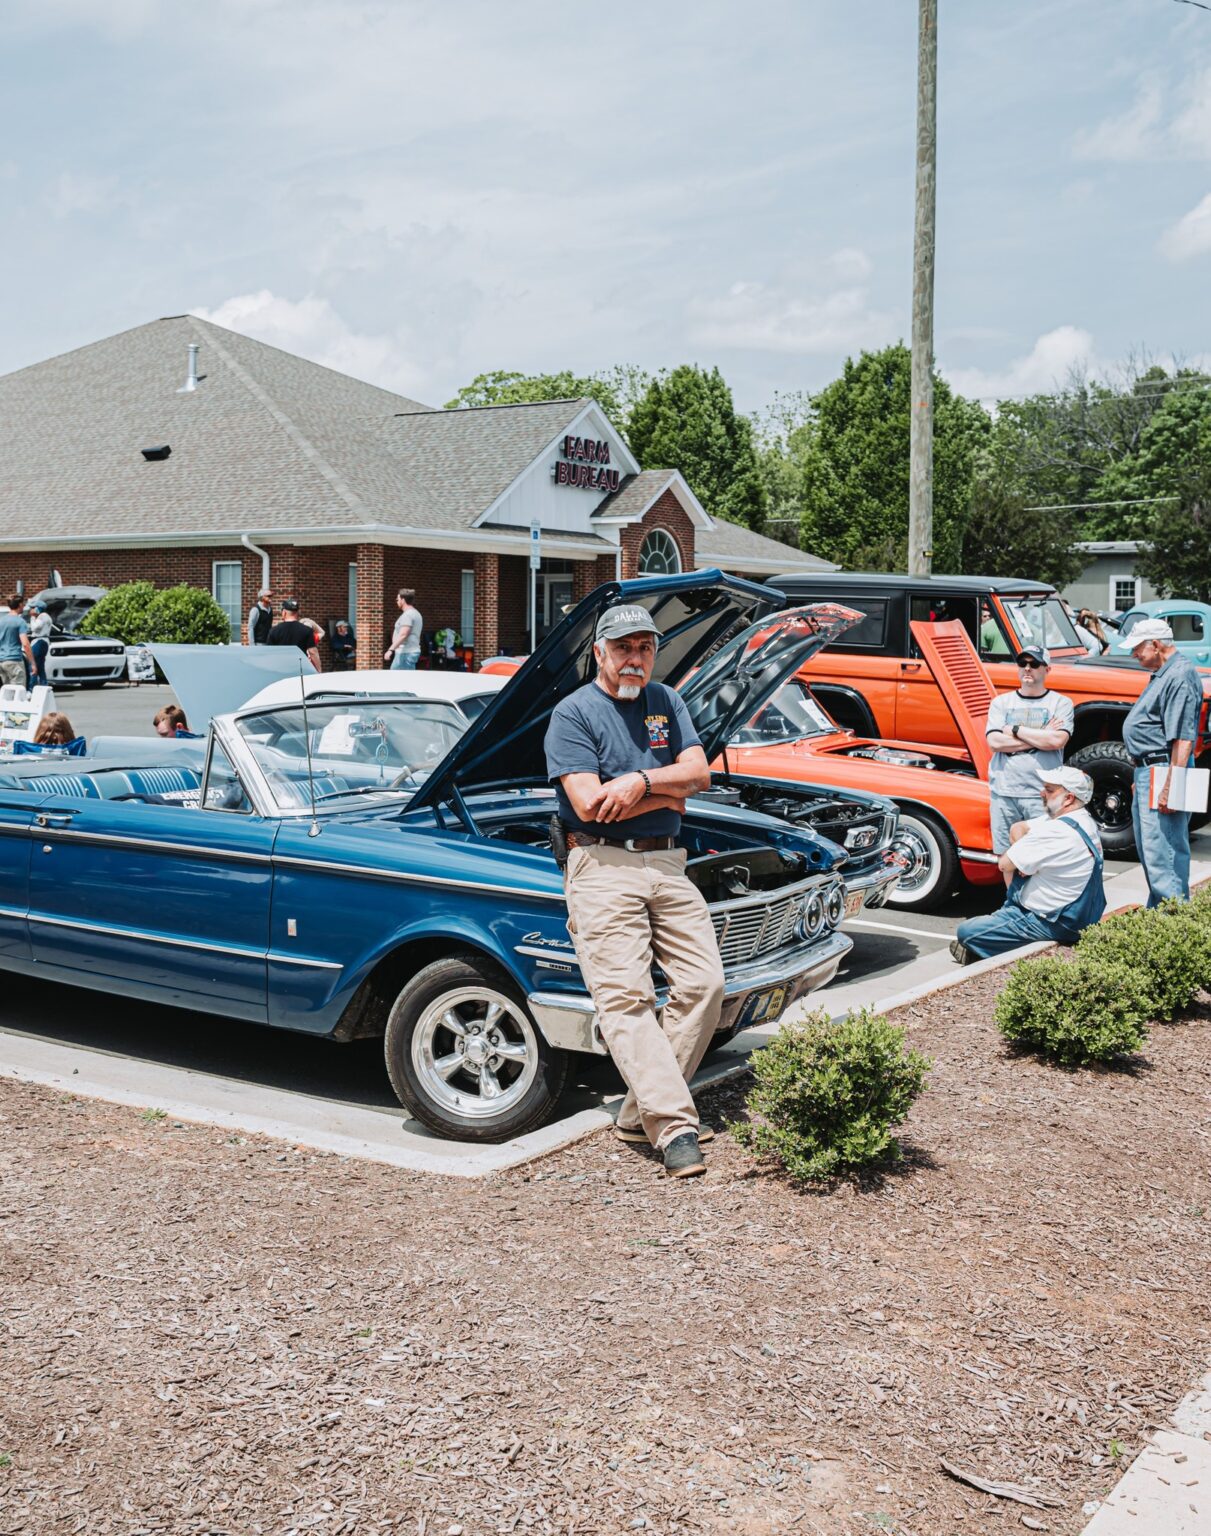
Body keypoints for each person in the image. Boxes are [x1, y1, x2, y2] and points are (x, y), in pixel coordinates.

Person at [544, 602, 724, 1180]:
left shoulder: (666, 701)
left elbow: (700, 776)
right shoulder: (573, 713)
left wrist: (639, 782)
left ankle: (635, 1113)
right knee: (626, 999)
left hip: (667, 863)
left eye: (645, 648)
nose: (635, 659)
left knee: (704, 985)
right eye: (623, 648)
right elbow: (588, 805)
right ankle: (674, 1128)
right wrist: (668, 794)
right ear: (600, 652)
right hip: (600, 865)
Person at [951, 767, 1104, 962]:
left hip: (1052, 919)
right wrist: (1023, 852)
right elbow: (1018, 827)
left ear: (1068, 798)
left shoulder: (1057, 831)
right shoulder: (1081, 819)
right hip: (1077, 914)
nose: (1042, 793)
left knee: (967, 932)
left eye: (1049, 790)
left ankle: (988, 947)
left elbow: (1004, 864)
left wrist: (1020, 858)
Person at [1119, 617, 1204, 905]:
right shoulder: (1165, 672)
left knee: (1164, 855)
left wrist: (1170, 786)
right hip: (1152, 770)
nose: (1134, 655)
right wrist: (1140, 773)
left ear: (1155, 645)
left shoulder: (1179, 675)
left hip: (1164, 770)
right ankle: (1160, 914)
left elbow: (1183, 738)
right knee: (1153, 853)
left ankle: (1173, 919)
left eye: (1137, 648)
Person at [984, 644, 1074, 875]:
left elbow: (1057, 741)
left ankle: (1036, 898)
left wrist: (1015, 730)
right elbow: (994, 742)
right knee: (1006, 857)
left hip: (1042, 795)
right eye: (1022, 663)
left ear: (1047, 669)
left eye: (1034, 664)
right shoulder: (1001, 702)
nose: (1027, 668)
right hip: (1004, 792)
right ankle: (1011, 897)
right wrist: (1041, 734)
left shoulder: (1060, 703)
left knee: (1042, 857)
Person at [267, 598, 321, 670]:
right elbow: (313, 652)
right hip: (300, 669)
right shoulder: (307, 630)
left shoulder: (274, 631)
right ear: (297, 613)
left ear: (284, 612)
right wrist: (318, 670)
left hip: (281, 669)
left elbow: (269, 653)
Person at [0, 594, 34, 690]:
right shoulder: (20, 622)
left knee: (7, 692)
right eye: (23, 604)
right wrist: (33, 663)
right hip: (14, 660)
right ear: (19, 605)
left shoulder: (1, 621)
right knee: (18, 691)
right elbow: (25, 644)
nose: (24, 606)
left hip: (2, 660)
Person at [385, 588, 423, 671]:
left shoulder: (408, 615)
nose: (397, 602)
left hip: (405, 653)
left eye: (397, 599)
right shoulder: (416, 613)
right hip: (408, 652)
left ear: (403, 600)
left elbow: (403, 634)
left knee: (395, 677)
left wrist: (391, 649)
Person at [28, 601, 52, 687]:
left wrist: (32, 617)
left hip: (39, 642)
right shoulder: (46, 616)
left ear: (38, 608)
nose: (31, 610)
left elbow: (34, 628)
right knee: (40, 666)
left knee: (33, 666)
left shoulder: (42, 616)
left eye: (33, 608)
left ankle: (31, 688)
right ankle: (43, 685)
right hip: (43, 642)